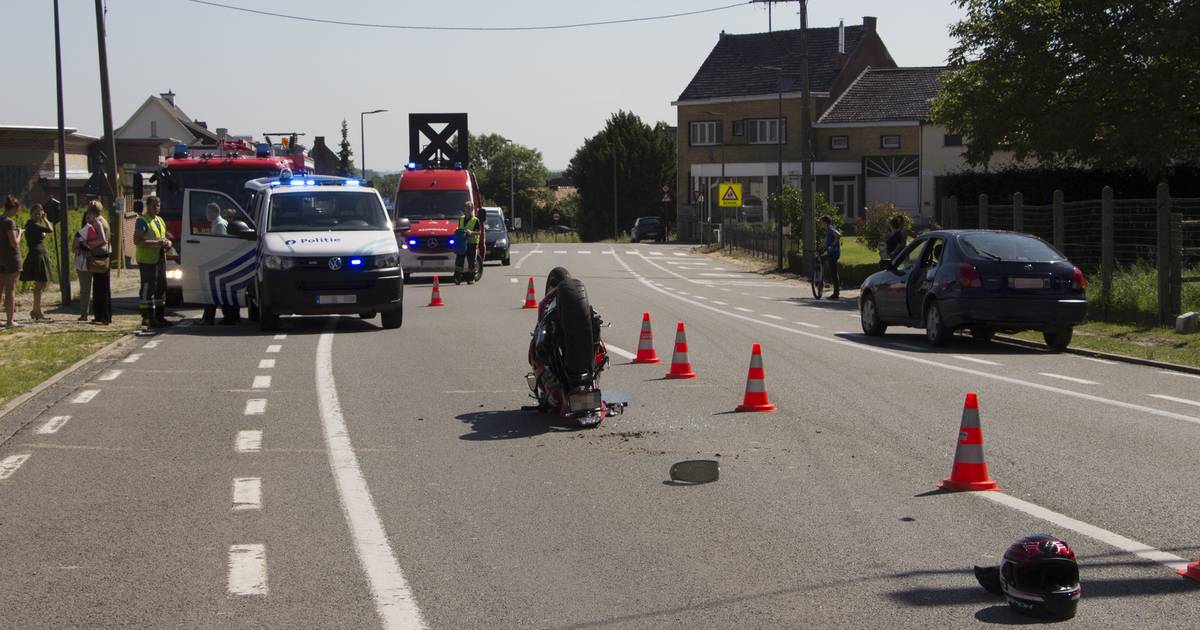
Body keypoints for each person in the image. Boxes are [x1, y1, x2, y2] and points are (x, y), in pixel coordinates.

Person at [134, 196, 173, 329]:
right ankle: (147, 318)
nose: (157, 208)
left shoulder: (160, 220)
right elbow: (137, 241)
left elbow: (165, 236)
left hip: (160, 258)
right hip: (147, 260)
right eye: (154, 205)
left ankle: (159, 317)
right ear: (148, 206)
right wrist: (157, 243)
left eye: (158, 205)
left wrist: (168, 242)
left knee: (161, 288)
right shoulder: (142, 221)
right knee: (147, 289)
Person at [20, 204, 55, 321]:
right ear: (31, 214)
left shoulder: (35, 225)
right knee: (40, 284)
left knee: (43, 283)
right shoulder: (32, 225)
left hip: (41, 254)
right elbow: (50, 229)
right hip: (37, 256)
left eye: (39, 214)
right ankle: (37, 311)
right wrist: (45, 219)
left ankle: (36, 310)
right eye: (35, 213)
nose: (37, 215)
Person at [83, 201, 112, 325]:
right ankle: (105, 315)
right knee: (104, 287)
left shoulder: (97, 221)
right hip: (105, 255)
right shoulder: (104, 220)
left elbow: (103, 240)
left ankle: (101, 316)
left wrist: (89, 245)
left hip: (99, 256)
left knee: (99, 288)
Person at [1, 195, 22, 328]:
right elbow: (14, 243)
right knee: (10, 290)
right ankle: (10, 321)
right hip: (11, 259)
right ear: (13, 207)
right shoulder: (9, 222)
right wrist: (20, 233)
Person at [455, 201, 481, 284]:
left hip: (471, 243)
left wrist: (471, 232)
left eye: (470, 208)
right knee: (459, 260)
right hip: (462, 243)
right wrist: (457, 230)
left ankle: (471, 278)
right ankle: (457, 278)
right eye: (467, 208)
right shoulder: (461, 218)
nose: (468, 210)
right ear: (464, 209)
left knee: (471, 261)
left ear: (472, 209)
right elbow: (459, 228)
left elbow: (479, 232)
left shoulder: (475, 220)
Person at [73, 213, 92, 321]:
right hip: (84, 263)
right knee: (85, 289)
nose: (89, 220)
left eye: (90, 217)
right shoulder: (80, 233)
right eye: (87, 217)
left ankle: (100, 312)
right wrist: (82, 247)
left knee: (98, 288)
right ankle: (84, 313)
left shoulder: (98, 231)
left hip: (97, 261)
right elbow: (73, 248)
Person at [820, 215, 842, 300]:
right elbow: (825, 240)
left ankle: (836, 293)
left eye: (821, 222)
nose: (820, 224)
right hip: (831, 253)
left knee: (834, 272)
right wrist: (820, 247)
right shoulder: (828, 230)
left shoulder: (831, 229)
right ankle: (821, 279)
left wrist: (832, 245)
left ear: (825, 222)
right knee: (820, 259)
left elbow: (838, 235)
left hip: (834, 253)